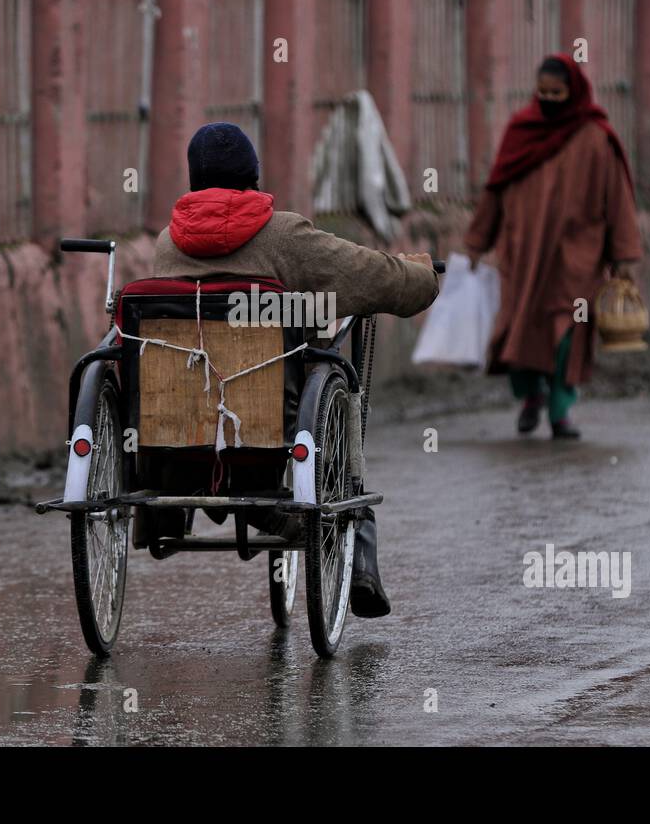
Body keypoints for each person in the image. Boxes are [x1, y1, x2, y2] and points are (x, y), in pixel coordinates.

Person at [149, 122, 439, 618]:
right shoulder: (283, 233)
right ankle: (358, 541)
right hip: (265, 426)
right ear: (254, 175)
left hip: (176, 432)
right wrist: (421, 274)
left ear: (194, 178)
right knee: (327, 364)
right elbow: (371, 276)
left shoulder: (166, 245)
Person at [464, 54, 642, 439]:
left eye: (557, 93)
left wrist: (624, 256)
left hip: (576, 261)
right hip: (522, 255)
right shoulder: (520, 131)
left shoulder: (596, 137)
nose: (548, 99)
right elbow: (495, 189)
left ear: (573, 91)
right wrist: (477, 242)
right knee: (520, 328)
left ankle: (561, 412)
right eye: (542, 92)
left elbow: (618, 199)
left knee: (567, 334)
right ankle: (531, 397)